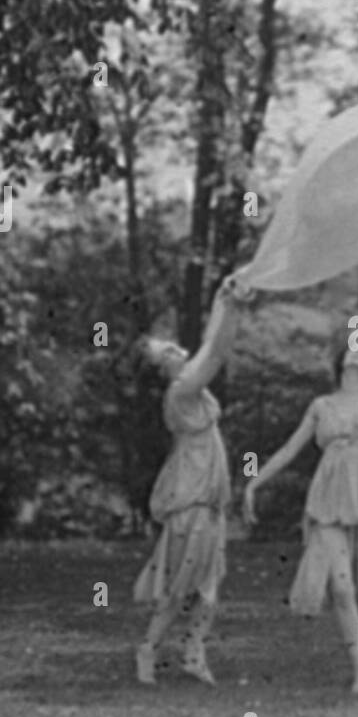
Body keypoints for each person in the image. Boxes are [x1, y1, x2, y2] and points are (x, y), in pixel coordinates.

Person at [243, 328, 358, 696]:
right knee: (341, 588)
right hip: (329, 495)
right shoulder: (321, 405)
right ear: (341, 357)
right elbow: (290, 448)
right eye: (354, 348)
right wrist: (253, 482)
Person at [132, 277, 250, 685]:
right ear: (163, 370)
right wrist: (230, 307)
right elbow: (215, 353)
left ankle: (193, 653)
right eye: (165, 351)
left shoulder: (192, 390)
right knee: (183, 586)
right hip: (192, 501)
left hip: (209, 501)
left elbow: (211, 348)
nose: (175, 349)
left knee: (209, 588)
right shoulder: (182, 392)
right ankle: (148, 649)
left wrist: (225, 303)